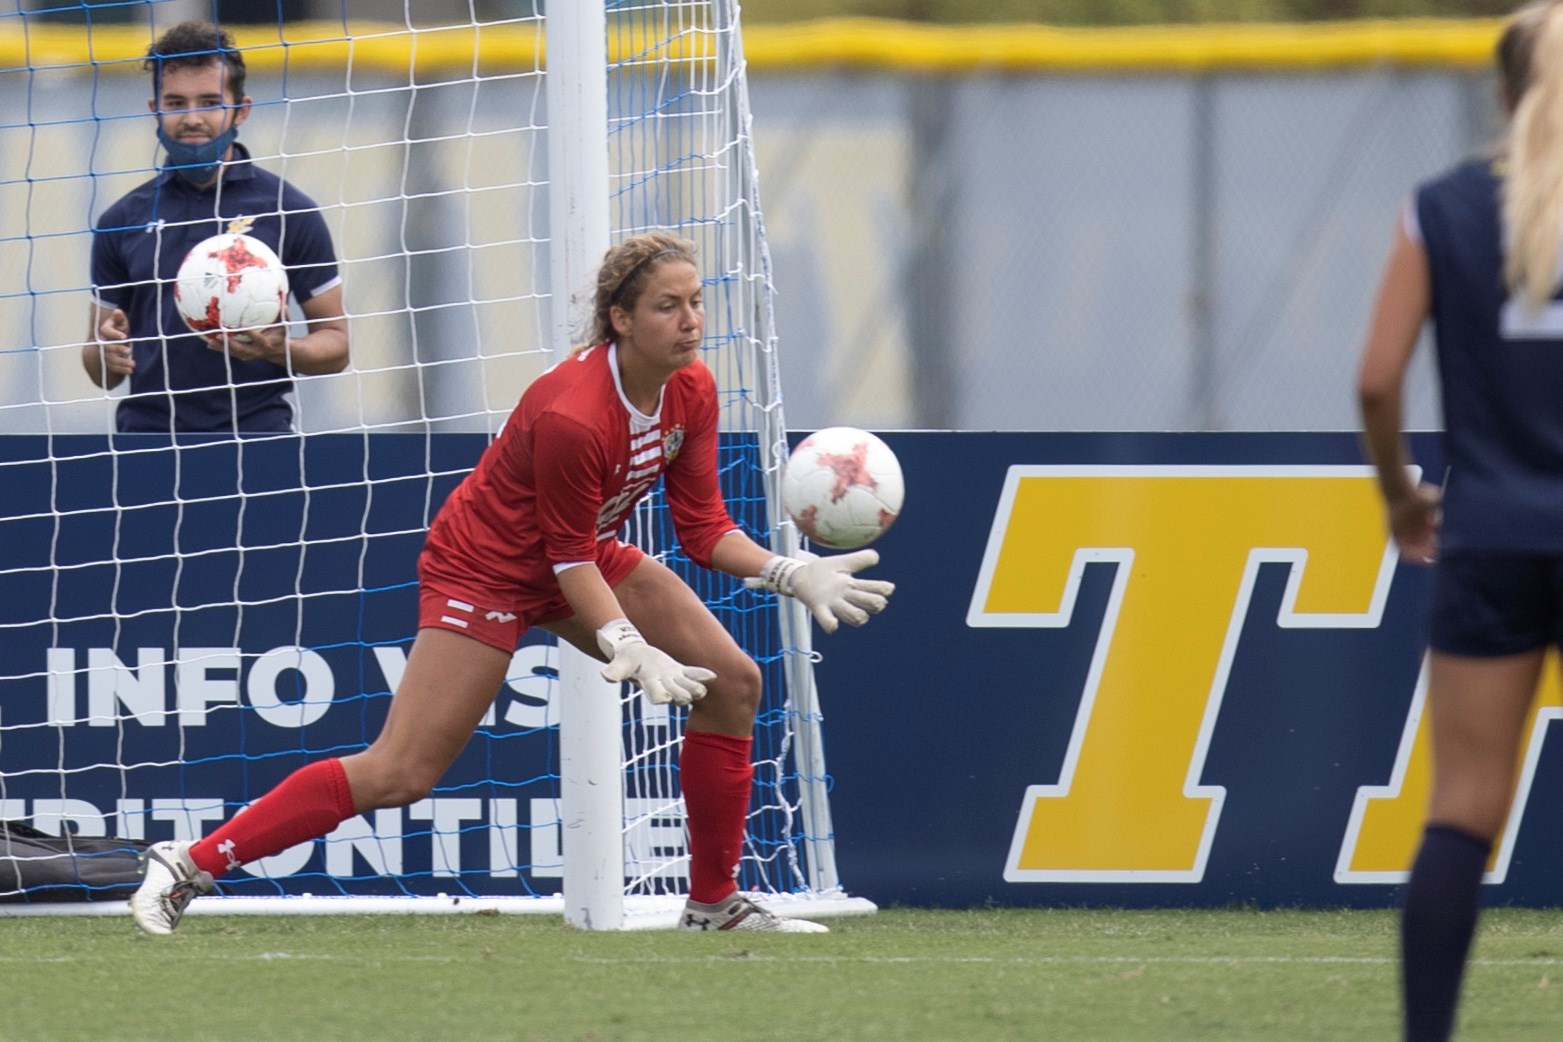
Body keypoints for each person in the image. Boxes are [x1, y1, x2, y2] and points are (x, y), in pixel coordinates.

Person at [128, 232, 894, 935]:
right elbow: (566, 557)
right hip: (485, 568)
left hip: (579, 559)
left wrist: (788, 571)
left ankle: (712, 903)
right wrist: (627, 642)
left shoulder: (690, 389)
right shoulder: (573, 413)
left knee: (732, 682)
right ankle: (190, 863)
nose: (690, 320)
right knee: (401, 773)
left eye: (695, 302)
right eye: (668, 306)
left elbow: (700, 528)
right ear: (620, 320)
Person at [1356, 3, 1561, 1038]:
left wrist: (1400, 495)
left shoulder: (1441, 206)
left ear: (1500, 92)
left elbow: (1377, 378)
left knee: (1464, 808)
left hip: (1490, 535)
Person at [83, 21, 348, 433]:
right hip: (148, 436)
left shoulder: (289, 209)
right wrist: (106, 353)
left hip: (259, 433)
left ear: (240, 109)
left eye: (209, 102)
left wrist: (281, 351)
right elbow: (101, 368)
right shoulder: (120, 220)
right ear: (156, 110)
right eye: (176, 103)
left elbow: (336, 345)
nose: (192, 118)